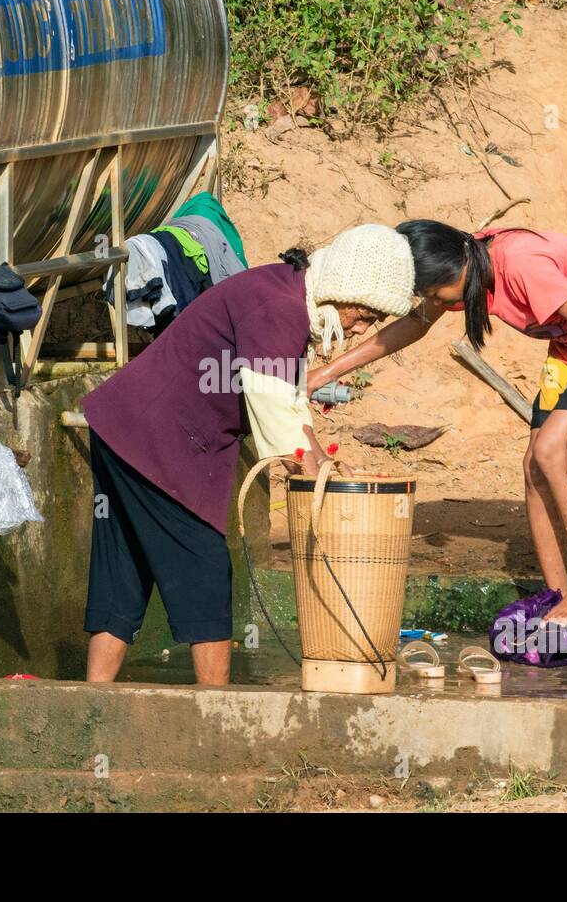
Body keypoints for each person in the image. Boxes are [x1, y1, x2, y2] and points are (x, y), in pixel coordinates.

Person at [80, 224, 417, 684]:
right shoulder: (280, 309)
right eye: (366, 311)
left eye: (376, 319)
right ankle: (217, 710)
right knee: (205, 568)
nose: (364, 326)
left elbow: (291, 399)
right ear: (345, 287)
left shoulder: (283, 291)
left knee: (125, 572)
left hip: (121, 426)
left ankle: (93, 700)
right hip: (157, 442)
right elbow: (276, 408)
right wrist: (318, 473)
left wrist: (321, 460)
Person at [306, 221, 567, 625]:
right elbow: (414, 325)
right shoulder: (463, 265)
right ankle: (558, 599)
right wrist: (327, 372)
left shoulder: (520, 264)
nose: (431, 302)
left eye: (430, 294)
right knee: (534, 467)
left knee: (551, 450)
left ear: (450, 272)